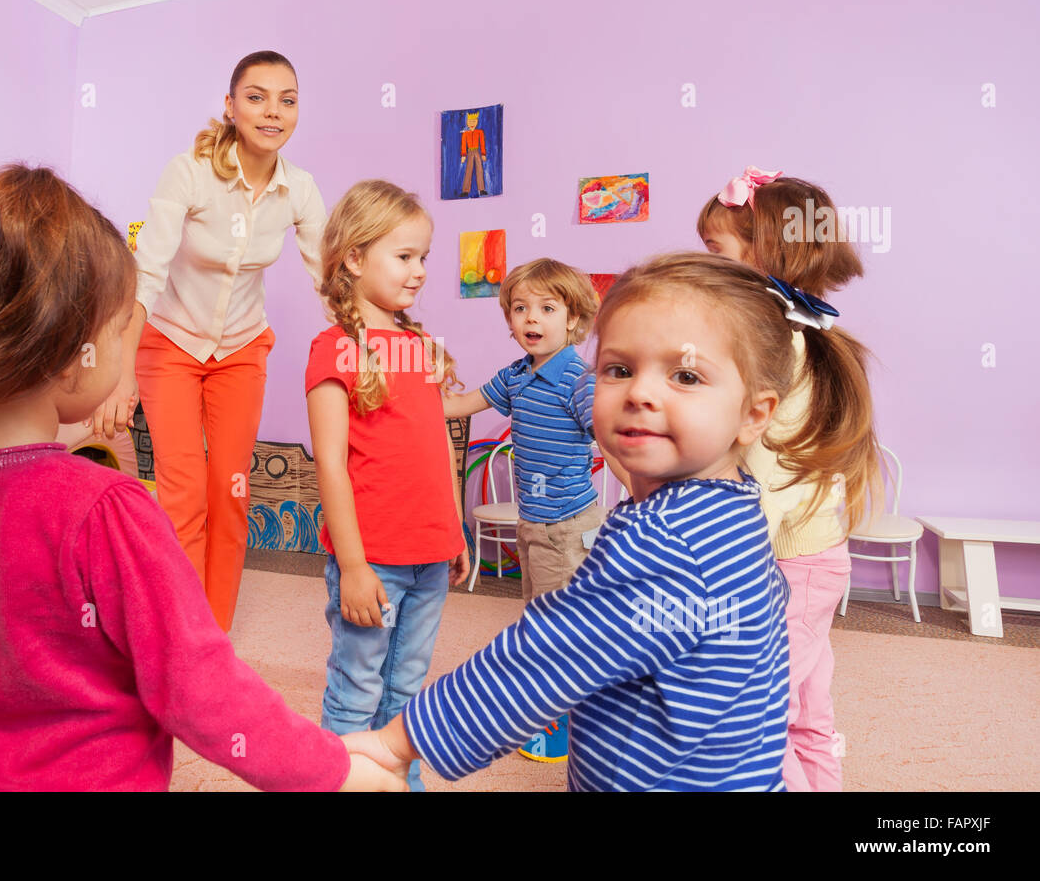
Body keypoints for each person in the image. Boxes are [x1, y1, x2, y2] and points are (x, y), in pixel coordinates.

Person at [0, 164, 402, 791]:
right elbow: (197, 681)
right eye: (118, 327)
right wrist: (331, 770)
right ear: (66, 350)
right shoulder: (106, 506)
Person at [347, 251, 878, 791]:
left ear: (754, 415)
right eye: (619, 370)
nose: (641, 393)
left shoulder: (666, 538)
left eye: (686, 376)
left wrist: (396, 742)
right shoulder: (735, 507)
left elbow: (547, 656)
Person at [92, 50, 326, 633]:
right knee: (183, 487)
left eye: (287, 100)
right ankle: (176, 626)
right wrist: (121, 374)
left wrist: (376, 342)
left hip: (242, 349)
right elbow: (145, 274)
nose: (273, 112)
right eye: (256, 96)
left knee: (230, 487)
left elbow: (330, 276)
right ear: (229, 106)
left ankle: (211, 636)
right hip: (169, 343)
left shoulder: (299, 189)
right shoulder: (189, 172)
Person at [698, 166, 880, 791]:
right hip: (812, 557)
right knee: (807, 711)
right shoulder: (808, 328)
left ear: (763, 250)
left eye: (715, 250)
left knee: (752, 719)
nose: (707, 265)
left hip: (780, 561)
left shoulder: (774, 340)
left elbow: (743, 454)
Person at [305, 180, 470, 792]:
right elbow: (331, 467)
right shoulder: (333, 350)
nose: (420, 271)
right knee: (358, 686)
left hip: (430, 556)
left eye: (424, 257)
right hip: (372, 559)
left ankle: (401, 782)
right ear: (353, 258)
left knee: (408, 687)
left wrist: (454, 533)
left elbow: (436, 450)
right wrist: (351, 565)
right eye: (405, 257)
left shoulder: (423, 348)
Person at [442, 258, 603, 762]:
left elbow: (611, 437)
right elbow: (463, 404)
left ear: (574, 320)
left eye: (547, 308)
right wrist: (411, 393)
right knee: (537, 620)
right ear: (509, 321)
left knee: (560, 629)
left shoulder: (578, 378)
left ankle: (568, 727)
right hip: (532, 521)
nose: (531, 318)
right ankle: (547, 710)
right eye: (520, 308)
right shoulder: (514, 377)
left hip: (568, 525)